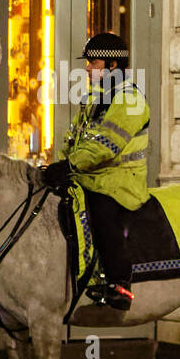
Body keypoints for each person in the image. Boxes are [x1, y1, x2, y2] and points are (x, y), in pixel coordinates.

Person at [42, 32, 150, 311]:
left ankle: (119, 284)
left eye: (93, 62)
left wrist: (69, 166)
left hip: (118, 183)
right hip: (89, 177)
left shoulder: (130, 100)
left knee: (101, 213)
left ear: (113, 66)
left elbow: (105, 146)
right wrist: (62, 164)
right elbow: (76, 138)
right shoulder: (96, 97)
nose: (87, 68)